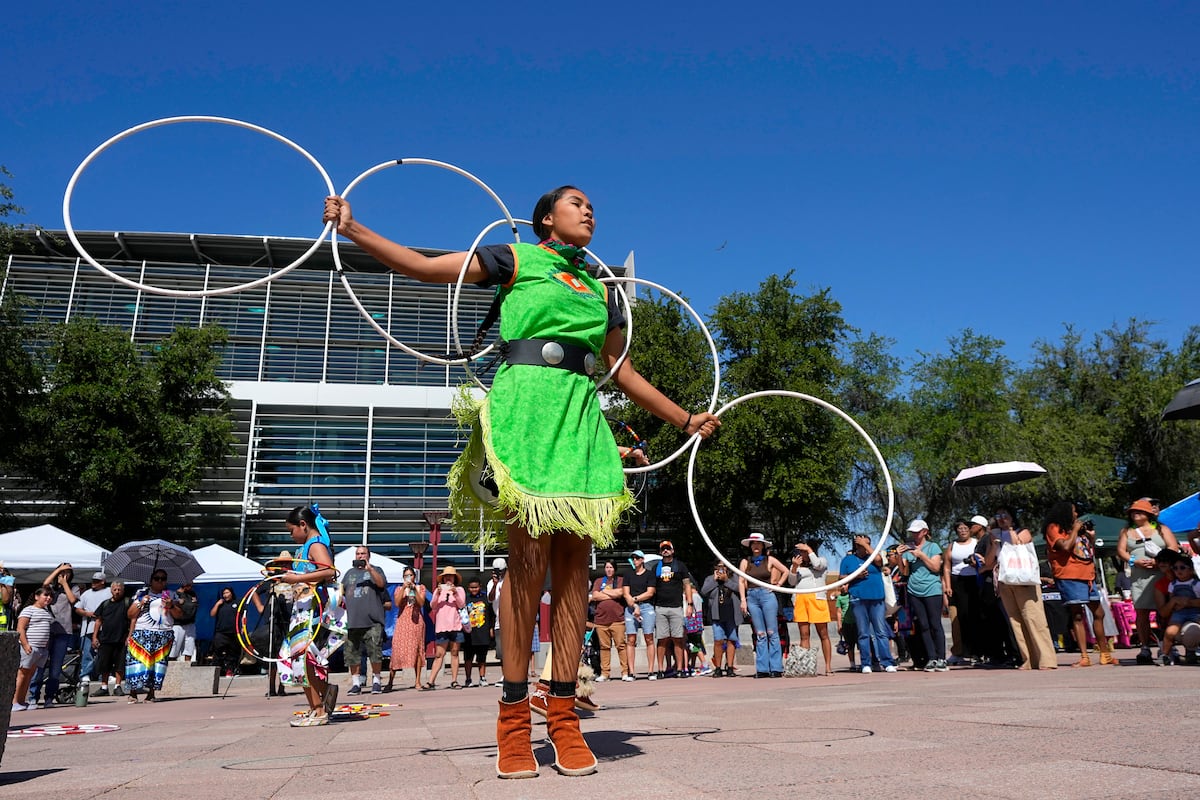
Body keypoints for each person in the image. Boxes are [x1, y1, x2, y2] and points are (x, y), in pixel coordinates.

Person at [324, 186, 718, 778]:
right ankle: (512, 718)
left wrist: (686, 420)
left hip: (581, 420)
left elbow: (623, 372)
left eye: (592, 205)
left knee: (575, 571)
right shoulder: (517, 258)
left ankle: (562, 713)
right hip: (527, 413)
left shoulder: (603, 291)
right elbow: (427, 269)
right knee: (528, 564)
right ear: (546, 218)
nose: (589, 210)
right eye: (576, 202)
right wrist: (353, 228)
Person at [278, 505, 344, 726]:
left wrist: (296, 579)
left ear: (303, 525)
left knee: (304, 659)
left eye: (291, 530)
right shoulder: (306, 546)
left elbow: (329, 570)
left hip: (311, 609)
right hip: (301, 609)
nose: (291, 535)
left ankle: (319, 709)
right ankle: (319, 701)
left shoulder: (315, 544)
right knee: (297, 658)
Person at [983, 508, 1057, 670]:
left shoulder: (1023, 531)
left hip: (1024, 579)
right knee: (1016, 621)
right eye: (998, 515)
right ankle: (1028, 659)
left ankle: (1046, 659)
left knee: (1033, 618)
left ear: (1012, 517)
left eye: (1005, 515)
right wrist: (994, 544)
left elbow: (1017, 543)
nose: (1001, 518)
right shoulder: (994, 535)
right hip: (1005, 580)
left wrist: (1009, 530)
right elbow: (988, 563)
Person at [1044, 500, 1115, 667]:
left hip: (1088, 575)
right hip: (1069, 575)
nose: (1076, 515)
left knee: (1099, 613)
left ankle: (1104, 653)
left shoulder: (1077, 530)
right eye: (1074, 511)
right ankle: (1084, 656)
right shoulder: (1054, 528)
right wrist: (1075, 530)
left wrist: (1091, 537)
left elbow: (1087, 551)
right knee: (1077, 615)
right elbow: (1065, 547)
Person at [1115, 497, 1179, 665]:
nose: (1135, 514)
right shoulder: (1126, 531)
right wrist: (1134, 561)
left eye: (1139, 511)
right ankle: (1144, 648)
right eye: (1133, 512)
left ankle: (1168, 647)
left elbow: (1173, 547)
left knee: (1164, 612)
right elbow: (1121, 551)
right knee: (1141, 612)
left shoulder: (1161, 529)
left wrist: (1160, 561)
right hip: (1139, 578)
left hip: (1162, 576)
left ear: (1148, 514)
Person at [840, 533, 897, 673]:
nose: (867, 546)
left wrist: (866, 545)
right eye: (863, 544)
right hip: (858, 598)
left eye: (869, 543)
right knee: (863, 632)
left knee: (881, 631)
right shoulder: (848, 560)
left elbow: (879, 561)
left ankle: (887, 662)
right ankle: (866, 663)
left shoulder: (873, 556)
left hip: (877, 598)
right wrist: (856, 575)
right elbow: (841, 577)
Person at [126, 569, 183, 703]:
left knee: (157, 664)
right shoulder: (142, 593)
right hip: (142, 632)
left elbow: (179, 615)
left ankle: (151, 693)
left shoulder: (171, 595)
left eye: (163, 579)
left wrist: (171, 606)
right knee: (137, 662)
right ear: (151, 580)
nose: (160, 581)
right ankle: (133, 693)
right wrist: (141, 602)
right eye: (157, 578)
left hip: (163, 633)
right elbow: (130, 614)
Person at [26, 562, 78, 708]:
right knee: (40, 665)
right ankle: (33, 696)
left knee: (56, 666)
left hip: (63, 631)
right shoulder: (51, 589)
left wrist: (64, 583)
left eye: (68, 572)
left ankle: (49, 697)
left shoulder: (73, 587)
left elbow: (73, 600)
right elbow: (44, 584)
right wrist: (58, 571)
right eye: (63, 571)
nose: (65, 574)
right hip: (47, 630)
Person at [737, 532, 788, 678]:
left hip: (767, 595)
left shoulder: (769, 559)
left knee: (772, 632)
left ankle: (776, 668)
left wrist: (778, 585)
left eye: (758, 543)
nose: (756, 546)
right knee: (760, 633)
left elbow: (785, 571)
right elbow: (741, 581)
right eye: (753, 543)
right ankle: (762, 669)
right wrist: (743, 600)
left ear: (763, 546)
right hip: (752, 596)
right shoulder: (745, 562)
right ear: (750, 546)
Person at [899, 520, 947, 672]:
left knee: (935, 624)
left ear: (925, 532)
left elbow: (936, 567)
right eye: (913, 532)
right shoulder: (909, 548)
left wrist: (921, 555)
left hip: (932, 589)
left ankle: (941, 658)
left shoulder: (933, 547)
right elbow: (904, 572)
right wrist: (899, 556)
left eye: (917, 531)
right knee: (923, 625)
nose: (915, 534)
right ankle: (931, 658)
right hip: (914, 590)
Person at [341, 545, 390, 695]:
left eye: (363, 553)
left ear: (369, 556)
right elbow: (341, 591)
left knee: (375, 652)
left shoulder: (376, 570)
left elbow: (381, 584)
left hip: (372, 620)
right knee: (352, 653)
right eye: (358, 553)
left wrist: (370, 569)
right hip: (353, 621)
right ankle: (356, 683)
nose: (360, 556)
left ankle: (376, 681)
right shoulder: (349, 573)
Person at [251, 551, 294, 697]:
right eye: (282, 563)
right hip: (272, 621)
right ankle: (271, 687)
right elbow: (254, 591)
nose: (284, 565)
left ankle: (282, 686)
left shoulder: (295, 579)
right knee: (272, 654)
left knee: (285, 654)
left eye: (287, 563)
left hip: (288, 620)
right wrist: (260, 607)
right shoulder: (271, 580)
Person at [787, 540, 833, 675]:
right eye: (800, 552)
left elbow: (817, 565)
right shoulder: (797, 566)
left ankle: (828, 667)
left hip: (817, 599)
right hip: (801, 600)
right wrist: (794, 567)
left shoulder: (821, 561)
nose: (802, 554)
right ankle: (805, 667)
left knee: (823, 634)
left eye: (804, 551)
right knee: (804, 635)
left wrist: (809, 550)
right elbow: (791, 582)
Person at [942, 520, 982, 665]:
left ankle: (977, 652)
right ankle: (960, 651)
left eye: (965, 528)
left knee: (974, 616)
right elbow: (947, 567)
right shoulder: (952, 546)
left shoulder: (976, 543)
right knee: (959, 618)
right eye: (960, 528)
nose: (963, 530)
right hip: (957, 581)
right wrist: (947, 585)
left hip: (974, 580)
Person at [653, 540, 694, 679]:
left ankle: (680, 668)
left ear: (672, 550)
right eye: (663, 549)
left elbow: (687, 585)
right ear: (660, 552)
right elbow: (652, 587)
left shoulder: (680, 566)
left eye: (668, 548)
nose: (665, 551)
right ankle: (660, 669)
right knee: (662, 639)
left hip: (676, 607)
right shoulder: (656, 567)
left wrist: (690, 604)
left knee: (678, 639)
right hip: (660, 607)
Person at [13, 587, 54, 711]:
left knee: (30, 675)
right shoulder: (28, 610)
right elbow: (20, 628)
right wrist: (25, 645)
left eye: (50, 596)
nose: (48, 598)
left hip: (41, 649)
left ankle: (21, 701)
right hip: (30, 647)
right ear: (37, 597)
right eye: (45, 595)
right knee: (22, 674)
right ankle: (14, 701)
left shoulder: (46, 612)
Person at [426, 565, 467, 689]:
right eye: (446, 576)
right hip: (442, 626)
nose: (448, 578)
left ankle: (454, 680)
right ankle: (431, 681)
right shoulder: (438, 591)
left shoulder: (459, 590)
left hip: (455, 625)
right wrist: (437, 593)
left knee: (455, 653)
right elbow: (432, 606)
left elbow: (462, 604)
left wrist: (455, 593)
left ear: (455, 578)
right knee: (439, 654)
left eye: (451, 576)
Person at [387, 566, 427, 691]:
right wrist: (404, 588)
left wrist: (414, 589)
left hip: (416, 622)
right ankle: (390, 681)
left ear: (414, 577)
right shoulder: (399, 589)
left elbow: (421, 603)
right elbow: (397, 603)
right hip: (403, 621)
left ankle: (417, 681)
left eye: (411, 575)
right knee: (396, 650)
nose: (409, 578)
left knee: (417, 650)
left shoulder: (420, 588)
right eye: (406, 576)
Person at [700, 560, 742, 677]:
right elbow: (704, 591)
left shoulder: (734, 577)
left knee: (731, 639)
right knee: (718, 640)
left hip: (732, 613)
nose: (721, 569)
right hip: (716, 613)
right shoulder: (710, 579)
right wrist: (715, 580)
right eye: (719, 566)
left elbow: (739, 588)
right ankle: (718, 668)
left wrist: (726, 580)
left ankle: (730, 667)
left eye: (724, 566)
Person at [590, 560, 630, 681]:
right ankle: (605, 673)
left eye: (611, 567)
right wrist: (611, 594)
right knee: (604, 647)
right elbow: (595, 596)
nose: (609, 569)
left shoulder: (620, 580)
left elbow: (620, 593)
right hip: (601, 620)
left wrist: (604, 592)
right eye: (607, 567)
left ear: (615, 569)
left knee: (621, 646)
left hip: (617, 619)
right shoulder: (598, 581)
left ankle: (625, 672)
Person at [1157, 555, 1200, 665]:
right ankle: (1165, 655)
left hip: (1195, 612)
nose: (1178, 570)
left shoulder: (1196, 584)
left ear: (1191, 570)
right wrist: (1176, 605)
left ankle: (1195, 651)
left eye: (1182, 567)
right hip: (1179, 613)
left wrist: (1188, 602)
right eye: (1175, 568)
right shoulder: (1173, 584)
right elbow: (1172, 599)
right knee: (1169, 632)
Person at [91, 579, 131, 695]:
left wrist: (129, 636)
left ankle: (117, 686)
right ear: (111, 590)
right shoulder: (105, 604)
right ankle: (104, 687)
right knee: (104, 664)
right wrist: (94, 637)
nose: (117, 592)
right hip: (106, 639)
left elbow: (133, 619)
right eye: (115, 589)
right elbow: (98, 621)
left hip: (121, 639)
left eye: (119, 590)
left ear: (123, 591)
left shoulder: (127, 602)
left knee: (120, 664)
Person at [622, 550, 657, 679]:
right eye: (633, 558)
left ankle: (651, 671)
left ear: (642, 560)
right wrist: (634, 605)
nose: (635, 560)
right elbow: (625, 593)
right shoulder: (628, 574)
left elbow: (650, 592)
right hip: (631, 607)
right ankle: (631, 672)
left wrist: (635, 599)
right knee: (631, 639)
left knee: (649, 638)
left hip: (646, 606)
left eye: (637, 558)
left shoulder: (649, 574)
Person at [75, 571, 109, 680]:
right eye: (93, 581)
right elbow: (77, 608)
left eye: (96, 581)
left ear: (103, 582)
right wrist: (87, 613)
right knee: (87, 652)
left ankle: (103, 674)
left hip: (105, 627)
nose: (93, 583)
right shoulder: (86, 593)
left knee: (104, 652)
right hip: (88, 626)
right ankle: (86, 674)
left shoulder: (109, 592)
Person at [463, 576, 495, 687]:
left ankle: (482, 677)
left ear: (480, 587)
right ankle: (468, 679)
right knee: (468, 658)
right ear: (468, 588)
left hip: (483, 632)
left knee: (482, 658)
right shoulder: (465, 599)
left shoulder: (485, 599)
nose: (474, 589)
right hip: (469, 634)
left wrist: (491, 628)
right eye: (472, 588)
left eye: (476, 587)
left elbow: (491, 615)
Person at [209, 586, 239, 677]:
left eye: (227, 593)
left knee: (232, 653)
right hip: (221, 632)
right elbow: (212, 614)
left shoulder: (237, 602)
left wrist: (242, 627)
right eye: (224, 593)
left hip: (233, 632)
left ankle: (230, 670)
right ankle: (217, 670)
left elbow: (243, 615)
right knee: (218, 651)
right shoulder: (221, 604)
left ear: (231, 593)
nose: (225, 595)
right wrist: (217, 604)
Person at [169, 580, 199, 662]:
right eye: (189, 584)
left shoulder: (192, 593)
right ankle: (172, 665)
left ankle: (187, 665)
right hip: (178, 624)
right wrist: (177, 603)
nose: (191, 586)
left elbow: (195, 605)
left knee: (189, 646)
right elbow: (170, 607)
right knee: (174, 647)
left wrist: (196, 602)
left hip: (190, 623)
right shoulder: (176, 594)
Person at [486, 558, 506, 668]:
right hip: (499, 621)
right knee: (501, 651)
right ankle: (505, 674)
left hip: (511, 622)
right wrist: (495, 584)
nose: (499, 573)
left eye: (501, 571)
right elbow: (490, 599)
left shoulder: (510, 581)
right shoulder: (490, 583)